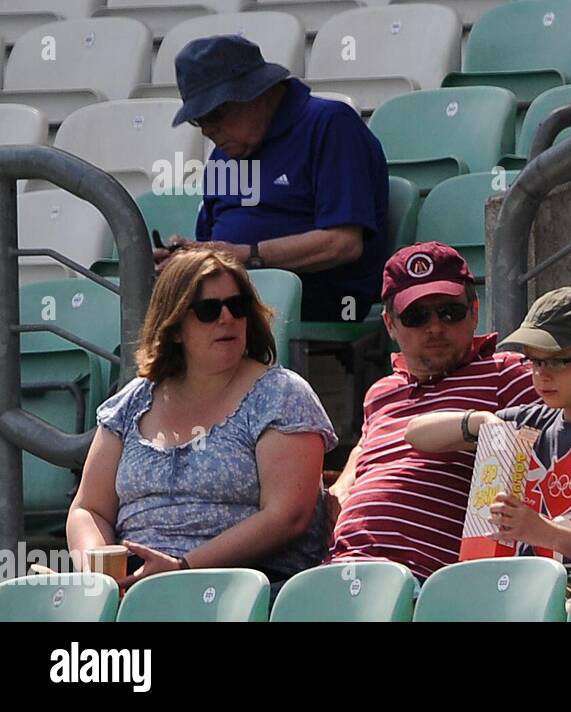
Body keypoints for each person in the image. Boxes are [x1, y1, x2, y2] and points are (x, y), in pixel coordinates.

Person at [66, 247, 337, 587]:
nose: (227, 318)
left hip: (242, 588)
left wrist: (181, 568)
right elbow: (89, 509)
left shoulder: (281, 395)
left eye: (236, 307)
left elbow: (288, 517)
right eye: (208, 310)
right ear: (175, 327)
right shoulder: (132, 401)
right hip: (133, 588)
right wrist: (99, 574)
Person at [325, 243, 538, 580]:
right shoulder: (381, 393)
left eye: (450, 312)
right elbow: (365, 454)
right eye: (416, 316)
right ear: (390, 325)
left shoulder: (507, 374)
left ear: (474, 311)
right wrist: (346, 478)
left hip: (429, 580)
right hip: (341, 568)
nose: (435, 327)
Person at [405, 287, 571, 579]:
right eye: (535, 361)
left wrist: (546, 533)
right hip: (520, 593)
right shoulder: (528, 421)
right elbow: (415, 434)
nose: (542, 374)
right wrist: (480, 421)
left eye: (557, 360)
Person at [154, 35, 389, 323]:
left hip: (321, 295)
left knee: (187, 316)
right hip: (237, 292)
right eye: (198, 120)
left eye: (215, 113)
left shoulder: (329, 125)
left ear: (258, 93)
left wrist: (246, 255)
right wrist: (188, 256)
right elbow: (215, 244)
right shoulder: (223, 155)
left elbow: (343, 244)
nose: (207, 130)